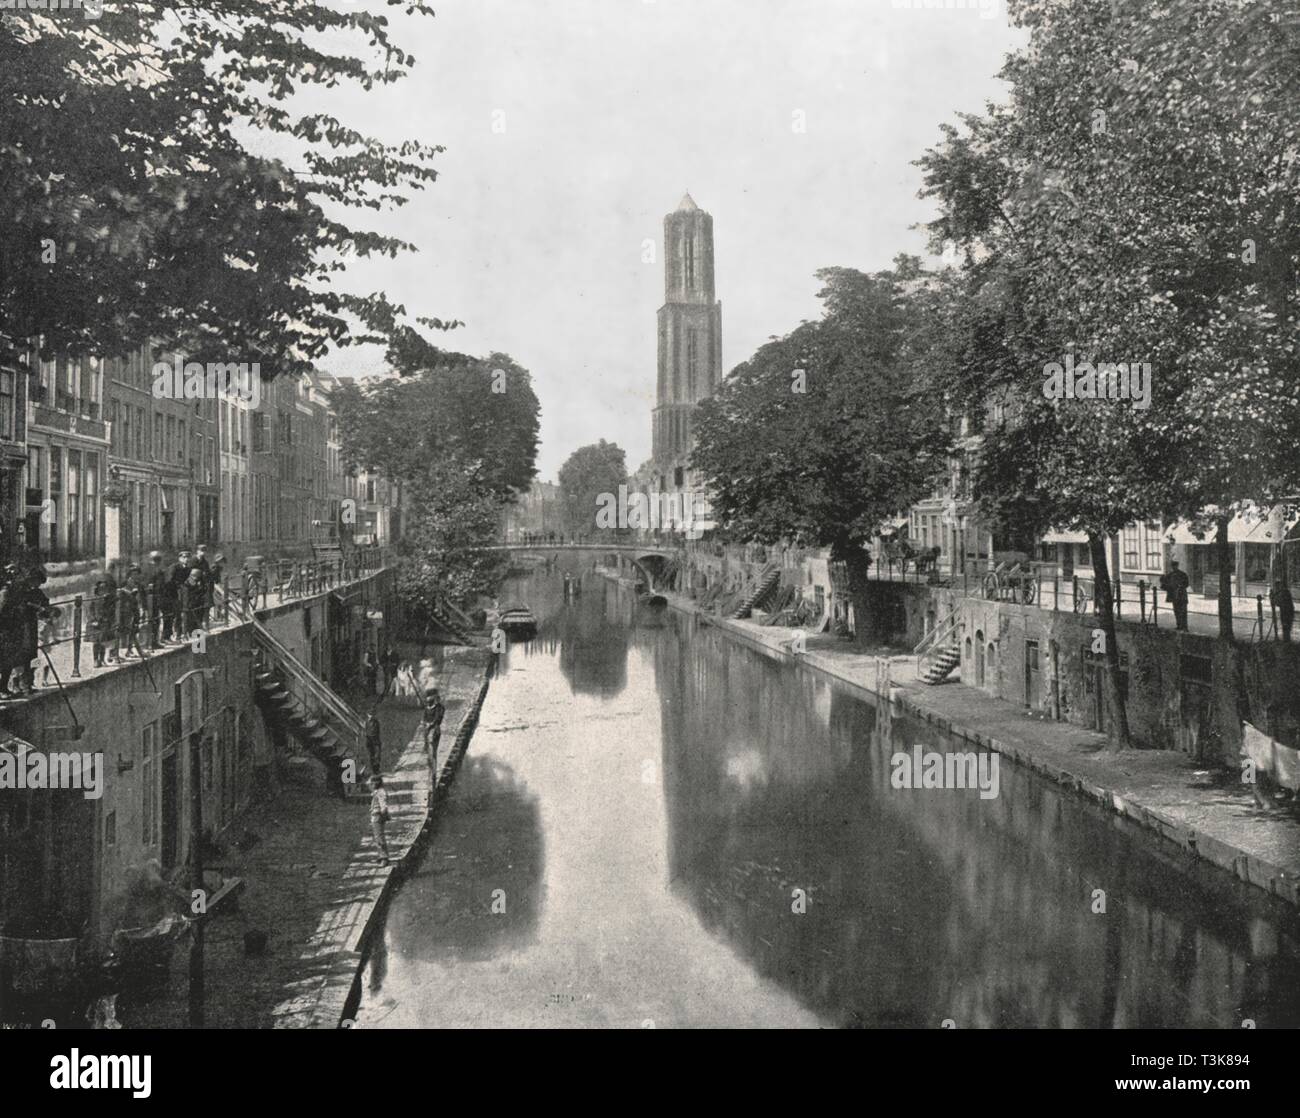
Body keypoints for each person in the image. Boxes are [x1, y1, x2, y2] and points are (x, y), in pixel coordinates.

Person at [146, 551, 168, 649]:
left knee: (155, 620)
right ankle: (151, 642)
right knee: (153, 620)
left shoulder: (154, 570)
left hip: (154, 598)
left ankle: (153, 642)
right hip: (153, 598)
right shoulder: (154, 570)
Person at [1160, 559, 1190, 631]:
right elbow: (1164, 585)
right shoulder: (1170, 575)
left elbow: (1187, 584)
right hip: (1175, 596)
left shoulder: (1182, 574)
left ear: (1177, 566)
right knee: (1176, 611)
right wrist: (1162, 579)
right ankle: (1179, 625)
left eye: (1175, 566)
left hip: (1181, 595)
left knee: (1183, 611)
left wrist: (1180, 587)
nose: (1174, 567)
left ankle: (1185, 626)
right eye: (1173, 566)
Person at [421, 687, 446, 769]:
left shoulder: (439, 707)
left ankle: (434, 771)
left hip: (434, 729)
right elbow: (424, 717)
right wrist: (424, 722)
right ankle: (427, 750)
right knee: (428, 749)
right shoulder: (427, 707)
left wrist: (431, 724)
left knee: (433, 751)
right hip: (427, 728)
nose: (427, 700)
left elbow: (438, 718)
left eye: (429, 697)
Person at [368, 775, 391, 865]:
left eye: (371, 783)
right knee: (377, 837)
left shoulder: (381, 792)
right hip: (375, 816)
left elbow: (383, 805)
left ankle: (384, 858)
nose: (370, 785)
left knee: (379, 837)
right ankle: (381, 856)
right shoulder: (377, 791)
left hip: (378, 816)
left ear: (375, 783)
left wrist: (382, 813)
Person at [1271, 577, 1294, 643]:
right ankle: (1286, 641)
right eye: (1277, 585)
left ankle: (1287, 641)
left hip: (1287, 612)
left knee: (1286, 627)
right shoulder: (1283, 592)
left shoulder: (1284, 592)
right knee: (1286, 627)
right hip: (1285, 612)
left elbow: (1279, 603)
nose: (1277, 586)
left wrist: (1273, 598)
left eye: (1278, 585)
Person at [364, 711, 382, 775]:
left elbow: (377, 732)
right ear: (367, 715)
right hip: (369, 741)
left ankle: (377, 769)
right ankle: (373, 770)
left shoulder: (376, 722)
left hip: (375, 741)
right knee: (371, 756)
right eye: (369, 715)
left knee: (377, 755)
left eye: (372, 715)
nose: (371, 716)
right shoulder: (366, 722)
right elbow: (366, 731)